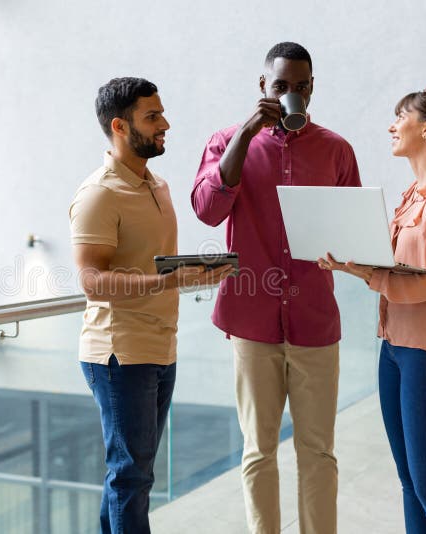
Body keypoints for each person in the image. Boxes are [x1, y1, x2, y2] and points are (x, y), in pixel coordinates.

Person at [192, 42, 361, 534]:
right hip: (250, 320)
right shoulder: (228, 141)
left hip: (314, 319)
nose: (292, 95)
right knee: (258, 450)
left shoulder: (337, 150)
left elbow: (350, 231)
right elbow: (207, 209)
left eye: (301, 87)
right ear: (262, 86)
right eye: (281, 86)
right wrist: (247, 133)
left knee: (318, 452)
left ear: (312, 88)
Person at [318, 87, 426, 533]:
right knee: (410, 482)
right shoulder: (415, 191)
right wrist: (350, 265)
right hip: (395, 346)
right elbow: (399, 271)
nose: (393, 126)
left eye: (401, 117)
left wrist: (377, 278)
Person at [70, 76, 233, 534]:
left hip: (161, 347)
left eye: (162, 112)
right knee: (131, 477)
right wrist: (171, 281)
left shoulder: (157, 185)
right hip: (120, 353)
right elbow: (91, 280)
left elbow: (153, 265)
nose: (166, 123)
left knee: (130, 476)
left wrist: (191, 273)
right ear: (120, 127)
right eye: (152, 116)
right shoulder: (98, 193)